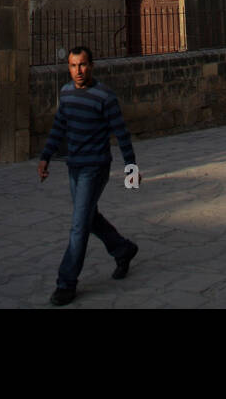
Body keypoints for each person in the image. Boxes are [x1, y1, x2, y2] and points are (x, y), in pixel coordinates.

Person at [38, 45, 140, 305]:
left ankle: (66, 283)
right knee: (89, 217)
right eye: (73, 66)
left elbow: (121, 132)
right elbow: (59, 126)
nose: (78, 71)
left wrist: (131, 167)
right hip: (74, 165)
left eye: (82, 65)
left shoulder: (105, 96)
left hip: (95, 167)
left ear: (91, 66)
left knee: (78, 225)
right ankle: (123, 249)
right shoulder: (67, 93)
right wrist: (45, 156)